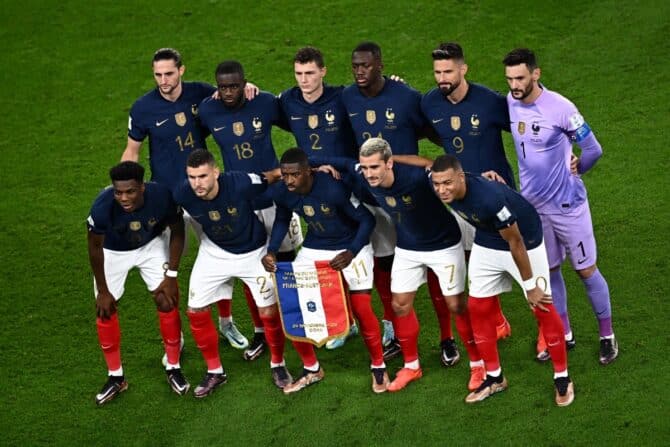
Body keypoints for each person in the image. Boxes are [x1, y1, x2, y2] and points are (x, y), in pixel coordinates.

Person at [319, 137, 483, 392]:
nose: (369, 174)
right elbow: (332, 160)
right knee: (400, 304)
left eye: (375, 167)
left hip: (443, 245)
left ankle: (478, 364)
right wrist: (312, 167)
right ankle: (411, 365)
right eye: (365, 167)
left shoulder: (418, 179)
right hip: (407, 248)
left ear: (389, 163)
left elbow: (451, 179)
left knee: (456, 305)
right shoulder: (361, 173)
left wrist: (484, 181)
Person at [120, 48, 252, 354]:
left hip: (203, 192)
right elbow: (132, 150)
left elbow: (232, 96)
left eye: (169, 73)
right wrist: (125, 188)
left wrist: (250, 88)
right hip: (166, 196)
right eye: (158, 75)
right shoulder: (142, 108)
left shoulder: (201, 94)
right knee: (167, 266)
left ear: (181, 70)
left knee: (221, 253)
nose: (163, 80)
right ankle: (175, 336)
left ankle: (226, 321)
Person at [341, 42, 457, 363]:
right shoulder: (347, 97)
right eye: (355, 66)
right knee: (384, 265)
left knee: (430, 266)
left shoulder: (406, 97)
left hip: (412, 198)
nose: (359, 71)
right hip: (373, 197)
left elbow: (434, 131)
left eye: (366, 65)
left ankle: (447, 337)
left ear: (380, 64)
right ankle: (392, 330)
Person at [502, 48, 618, 364]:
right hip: (534, 208)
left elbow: (593, 148)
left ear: (536, 74)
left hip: (568, 205)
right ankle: (564, 334)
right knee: (550, 269)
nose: (514, 85)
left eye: (520, 78)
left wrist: (580, 167)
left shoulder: (562, 108)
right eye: (510, 78)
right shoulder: (511, 101)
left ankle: (606, 335)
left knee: (585, 270)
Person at [431, 154, 574, 406]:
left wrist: (530, 287)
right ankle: (495, 377)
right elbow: (424, 165)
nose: (442, 190)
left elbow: (515, 241)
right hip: (488, 239)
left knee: (542, 305)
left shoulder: (490, 199)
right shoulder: (447, 184)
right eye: (437, 184)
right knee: (478, 307)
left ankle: (562, 377)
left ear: (461, 178)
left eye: (447, 183)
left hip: (524, 241)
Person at [199, 59, 304, 360]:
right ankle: (261, 331)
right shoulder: (208, 109)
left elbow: (296, 120)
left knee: (286, 263)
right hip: (240, 202)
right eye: (223, 87)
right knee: (251, 267)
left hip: (275, 196)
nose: (229, 92)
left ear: (245, 84)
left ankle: (295, 322)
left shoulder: (265, 103)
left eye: (235, 86)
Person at [262, 148, 387, 394]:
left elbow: (367, 220)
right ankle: (312, 368)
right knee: (293, 305)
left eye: (295, 175)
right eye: (285, 175)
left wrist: (351, 252)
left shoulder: (333, 188)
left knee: (361, 307)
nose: (289, 180)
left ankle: (378, 365)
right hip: (315, 247)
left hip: (351, 245)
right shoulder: (283, 191)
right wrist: (272, 250)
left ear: (309, 172)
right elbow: (282, 219)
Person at [173, 149, 291, 398]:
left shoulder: (239, 183)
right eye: (192, 177)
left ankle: (278, 363)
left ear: (216, 173)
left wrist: (302, 169)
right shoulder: (183, 193)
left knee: (268, 312)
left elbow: (269, 177)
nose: (197, 183)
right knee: (195, 310)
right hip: (215, 252)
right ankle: (215, 371)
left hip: (254, 252)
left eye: (203, 176)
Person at [421, 41, 515, 344]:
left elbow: (525, 129)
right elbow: (432, 131)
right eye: (437, 72)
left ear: (463, 69)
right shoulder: (430, 102)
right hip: (460, 198)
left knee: (510, 257)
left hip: (496, 194)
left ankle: (545, 324)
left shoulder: (489, 101)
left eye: (448, 71)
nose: (442, 78)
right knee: (472, 256)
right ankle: (497, 319)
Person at [277, 46, 361, 349]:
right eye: (298, 73)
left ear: (323, 71)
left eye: (310, 73)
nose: (304, 80)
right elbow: (258, 107)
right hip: (314, 185)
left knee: (372, 254)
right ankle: (345, 320)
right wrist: (248, 88)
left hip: (348, 182)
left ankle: (386, 322)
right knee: (327, 245)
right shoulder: (287, 101)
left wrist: (394, 82)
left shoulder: (342, 97)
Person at [87, 161, 187, 405]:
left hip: (150, 244)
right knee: (105, 310)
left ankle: (173, 367)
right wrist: (103, 291)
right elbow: (95, 248)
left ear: (142, 187)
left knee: (166, 299)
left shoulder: (162, 196)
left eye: (130, 191)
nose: (123, 198)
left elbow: (178, 231)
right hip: (113, 251)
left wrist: (172, 275)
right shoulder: (102, 206)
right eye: (118, 192)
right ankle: (116, 377)